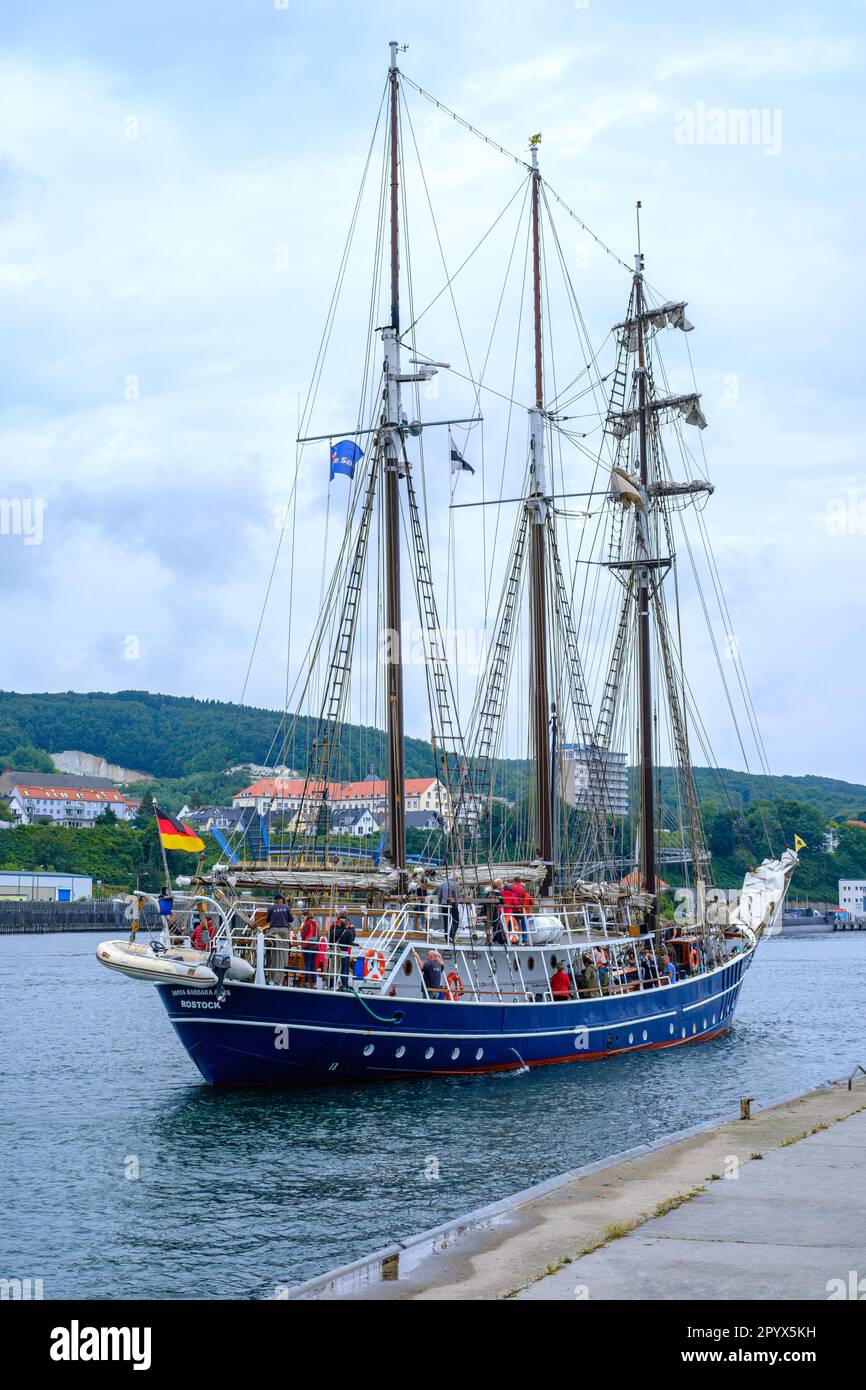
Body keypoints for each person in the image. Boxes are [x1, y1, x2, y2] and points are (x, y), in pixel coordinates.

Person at [265, 894, 294, 986]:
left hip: (273, 931)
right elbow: (291, 919)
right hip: (284, 931)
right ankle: (283, 970)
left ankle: (271, 973)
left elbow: (267, 920)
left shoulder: (271, 908)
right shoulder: (287, 908)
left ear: (275, 900)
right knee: (284, 950)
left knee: (272, 950)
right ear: (282, 900)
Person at [329, 910, 356, 990]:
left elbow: (330, 941)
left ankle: (331, 985)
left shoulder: (333, 926)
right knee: (344, 968)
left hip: (335, 951)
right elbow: (352, 939)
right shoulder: (349, 928)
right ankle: (344, 985)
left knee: (334, 968)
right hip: (345, 951)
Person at [507, 875, 534, 944]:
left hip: (514, 909)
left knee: (515, 925)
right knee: (524, 925)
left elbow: (511, 897)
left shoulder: (512, 887)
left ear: (514, 881)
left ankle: (516, 939)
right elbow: (531, 902)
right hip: (522, 910)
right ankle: (524, 939)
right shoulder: (523, 889)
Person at [437, 874, 460, 945]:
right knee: (456, 920)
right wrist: (457, 903)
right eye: (458, 878)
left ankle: (446, 937)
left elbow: (439, 895)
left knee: (446, 921)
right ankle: (451, 935)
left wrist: (441, 902)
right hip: (452, 904)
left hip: (444, 904)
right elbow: (457, 896)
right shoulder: (456, 884)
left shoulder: (443, 883)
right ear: (456, 878)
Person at [300, 911, 319, 989]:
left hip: (308, 945)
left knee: (307, 964)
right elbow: (319, 935)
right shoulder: (316, 923)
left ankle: (307, 982)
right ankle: (314, 983)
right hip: (315, 946)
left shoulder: (307, 923)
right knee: (313, 965)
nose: (303, 918)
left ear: (306, 916)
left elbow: (303, 934)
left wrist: (301, 931)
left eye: (303, 917)